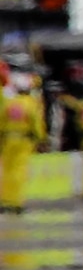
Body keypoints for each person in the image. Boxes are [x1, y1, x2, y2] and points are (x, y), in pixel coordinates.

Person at [0, 72, 48, 213]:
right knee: (20, 170)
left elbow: (1, 122)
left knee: (7, 170)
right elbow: (37, 124)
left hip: (8, 139)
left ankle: (4, 200)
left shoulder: (9, 103)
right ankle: (16, 202)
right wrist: (41, 139)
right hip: (24, 140)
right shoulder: (31, 104)